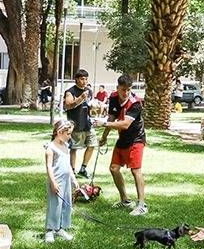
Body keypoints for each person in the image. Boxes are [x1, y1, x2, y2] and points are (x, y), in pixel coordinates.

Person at [100, 74, 148, 216]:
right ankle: (125, 200)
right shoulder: (113, 98)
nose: (126, 93)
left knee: (135, 171)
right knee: (114, 169)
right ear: (117, 88)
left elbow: (126, 124)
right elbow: (112, 118)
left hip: (136, 139)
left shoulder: (135, 103)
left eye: (128, 89)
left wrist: (104, 123)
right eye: (123, 89)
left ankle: (141, 204)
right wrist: (104, 137)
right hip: (123, 138)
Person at [44, 119, 80, 243]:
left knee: (66, 204)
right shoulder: (51, 148)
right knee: (55, 205)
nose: (70, 137)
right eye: (68, 134)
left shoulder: (65, 146)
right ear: (60, 132)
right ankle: (50, 230)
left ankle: (60, 228)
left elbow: (68, 165)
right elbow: (49, 167)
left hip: (66, 181)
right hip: (56, 181)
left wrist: (73, 179)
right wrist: (53, 183)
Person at [63, 69, 97, 177]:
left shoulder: (88, 91)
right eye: (82, 79)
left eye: (86, 79)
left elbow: (89, 106)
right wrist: (80, 98)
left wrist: (94, 109)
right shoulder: (70, 92)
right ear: (76, 79)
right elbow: (68, 105)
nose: (85, 81)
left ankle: (83, 169)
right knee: (74, 148)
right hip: (75, 123)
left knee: (92, 144)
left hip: (87, 124)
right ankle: (72, 171)